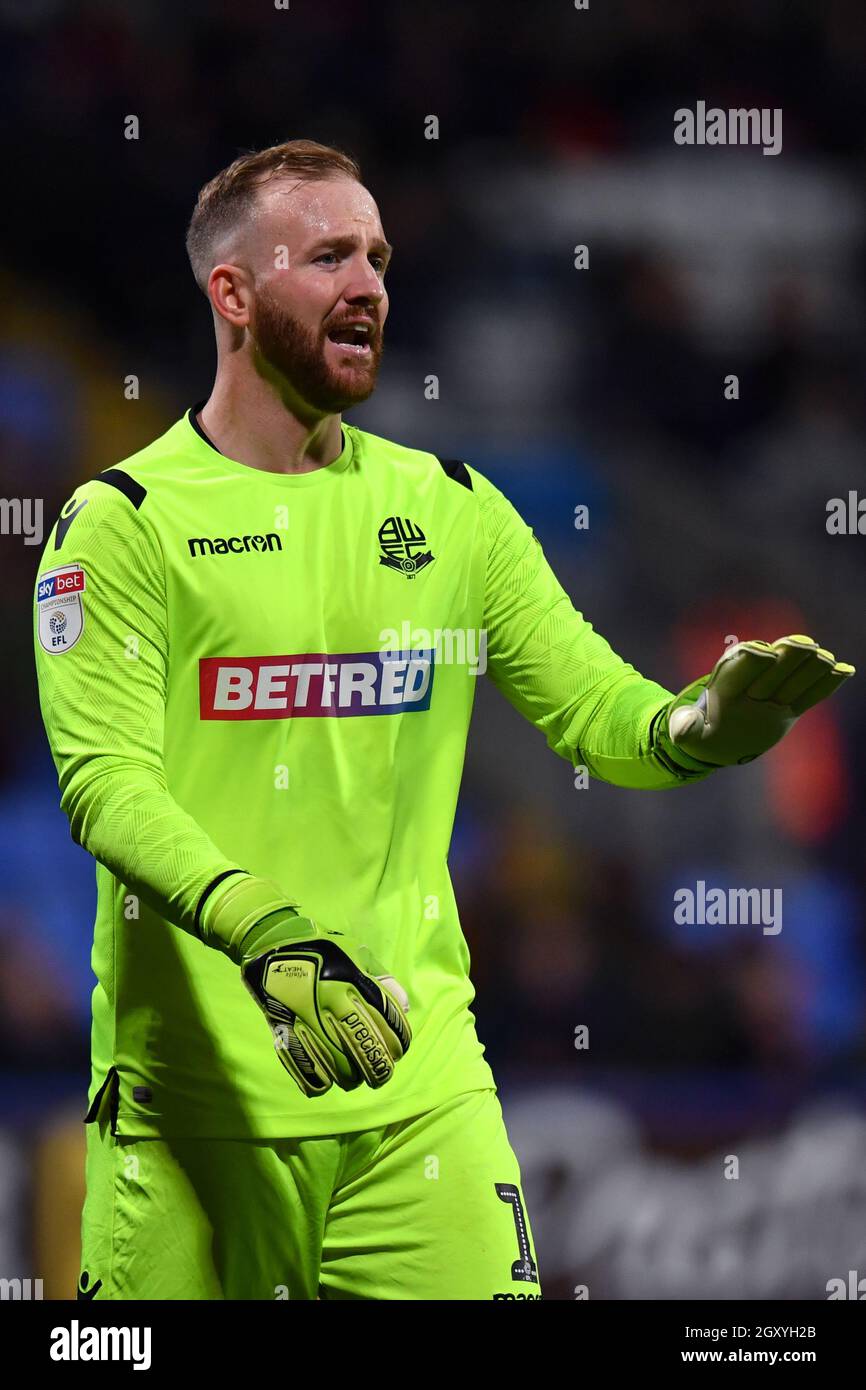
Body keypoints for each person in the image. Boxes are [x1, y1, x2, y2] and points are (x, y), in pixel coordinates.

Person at [33, 139, 853, 1301]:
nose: (368, 281)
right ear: (232, 293)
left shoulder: (451, 511)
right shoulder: (121, 525)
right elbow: (105, 784)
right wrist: (268, 933)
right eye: (326, 256)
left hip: (420, 1104)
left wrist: (697, 728)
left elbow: (597, 716)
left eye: (375, 254)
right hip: (192, 1121)